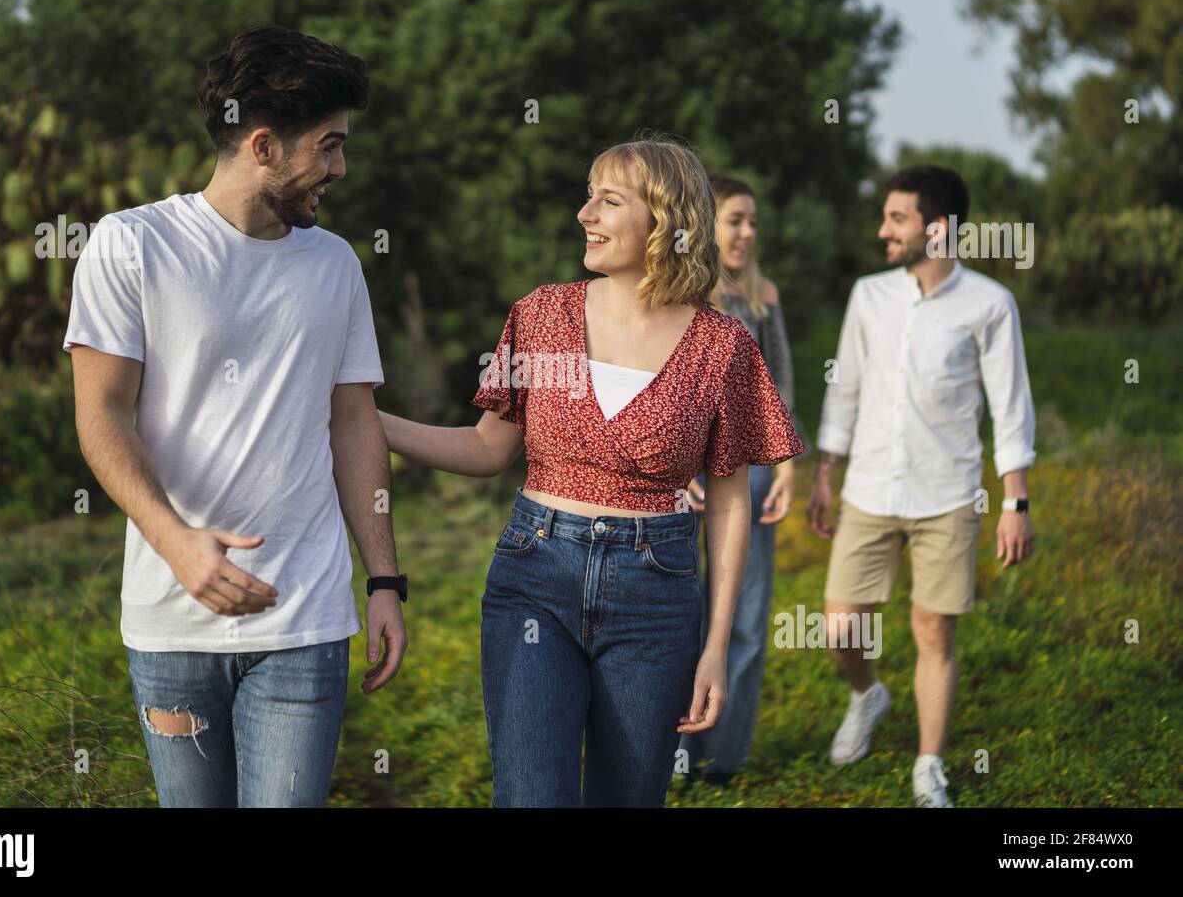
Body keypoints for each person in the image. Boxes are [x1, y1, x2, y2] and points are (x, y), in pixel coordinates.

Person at [379, 134, 805, 806]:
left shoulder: (724, 346)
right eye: (588, 197)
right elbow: (489, 449)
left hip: (657, 594)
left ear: (664, 220)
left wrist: (716, 645)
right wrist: (368, 422)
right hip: (534, 576)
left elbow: (728, 503)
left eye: (608, 201)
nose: (585, 215)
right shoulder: (539, 314)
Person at [62, 25, 408, 807]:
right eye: (328, 146)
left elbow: (355, 424)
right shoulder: (131, 246)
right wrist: (178, 544)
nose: (340, 168)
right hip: (170, 618)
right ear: (263, 145)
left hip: (306, 619)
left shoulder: (336, 265)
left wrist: (385, 579)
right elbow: (102, 416)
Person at [807, 164, 1037, 807]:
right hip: (869, 489)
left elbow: (1010, 407)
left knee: (934, 630)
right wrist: (825, 471)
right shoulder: (869, 295)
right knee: (838, 625)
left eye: (897, 218)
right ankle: (867, 694)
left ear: (937, 229)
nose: (883, 230)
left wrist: (1015, 502)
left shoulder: (990, 304)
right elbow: (845, 386)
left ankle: (928, 764)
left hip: (948, 494)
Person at [679, 174, 810, 781]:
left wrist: (786, 464)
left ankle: (722, 760)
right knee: (677, 613)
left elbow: (778, 383)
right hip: (680, 479)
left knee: (747, 617)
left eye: (753, 221)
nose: (747, 232)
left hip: (751, 475)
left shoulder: (763, 296)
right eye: (736, 219)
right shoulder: (678, 296)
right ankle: (671, 746)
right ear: (707, 223)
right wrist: (676, 472)